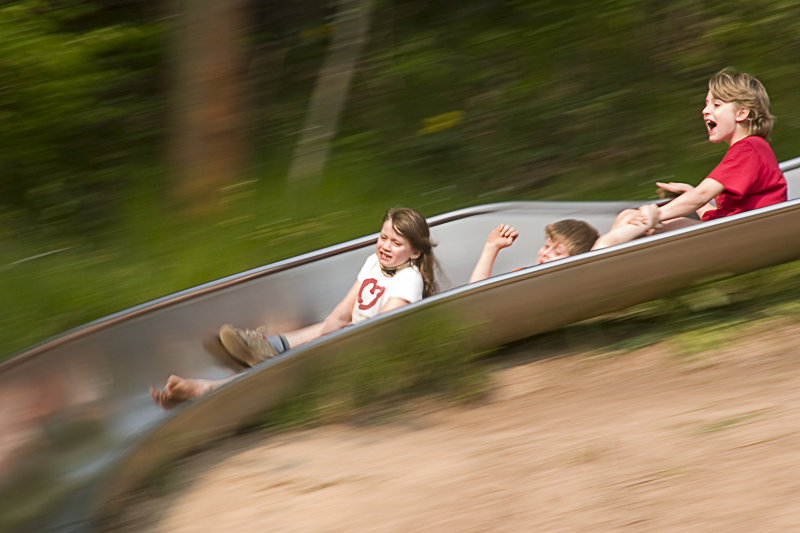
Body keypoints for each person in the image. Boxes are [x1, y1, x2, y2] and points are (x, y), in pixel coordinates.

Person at [151, 207, 437, 404]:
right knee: (322, 329)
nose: (385, 246)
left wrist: (325, 344)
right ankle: (270, 346)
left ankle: (208, 388)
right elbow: (344, 309)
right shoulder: (375, 262)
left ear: (415, 252)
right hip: (353, 331)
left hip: (371, 347)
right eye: (383, 237)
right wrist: (327, 332)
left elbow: (381, 328)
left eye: (396, 243)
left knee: (295, 364)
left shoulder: (409, 279)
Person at [623, 68, 787, 233]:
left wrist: (654, 215)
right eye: (706, 104)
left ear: (741, 113)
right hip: (738, 231)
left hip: (746, 235)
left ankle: (608, 245)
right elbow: (719, 212)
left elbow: (702, 194)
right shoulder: (751, 149)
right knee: (631, 218)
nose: (705, 110)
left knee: (634, 221)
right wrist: (689, 192)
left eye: (716, 105)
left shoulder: (749, 148)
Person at [468, 219, 600, 283]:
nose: (545, 253)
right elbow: (477, 299)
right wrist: (491, 247)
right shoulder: (521, 275)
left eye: (557, 253)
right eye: (546, 246)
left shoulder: (575, 286)